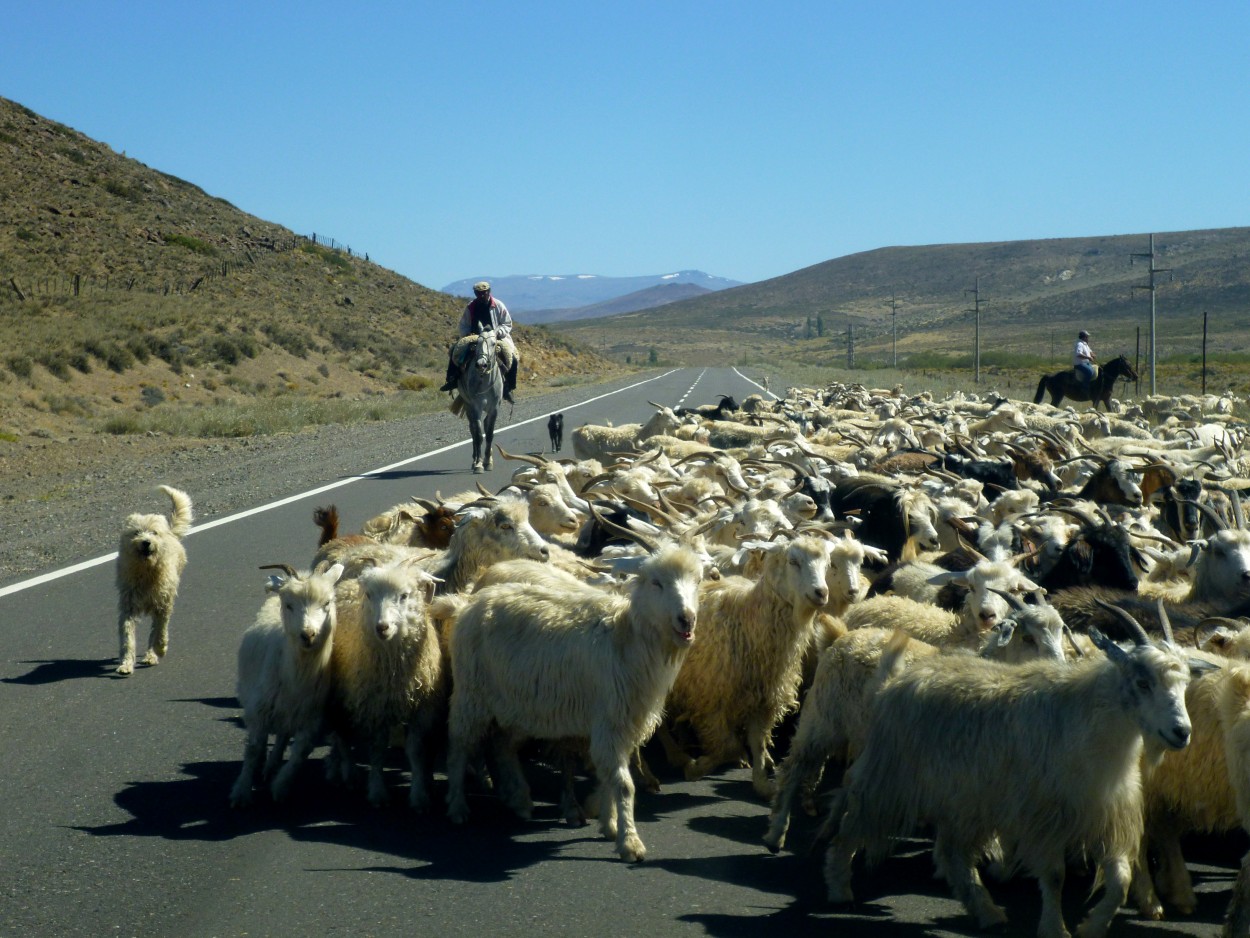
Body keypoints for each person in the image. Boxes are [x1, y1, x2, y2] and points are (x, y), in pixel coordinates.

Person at [439, 281, 519, 403]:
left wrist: (498, 332)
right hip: (475, 337)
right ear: (475, 293)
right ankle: (452, 379)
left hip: (496, 337)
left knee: (512, 356)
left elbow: (507, 323)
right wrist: (467, 334)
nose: (481, 295)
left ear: (489, 292)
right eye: (478, 293)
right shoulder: (471, 307)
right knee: (455, 350)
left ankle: (508, 387)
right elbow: (464, 325)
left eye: (484, 293)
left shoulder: (498, 305)